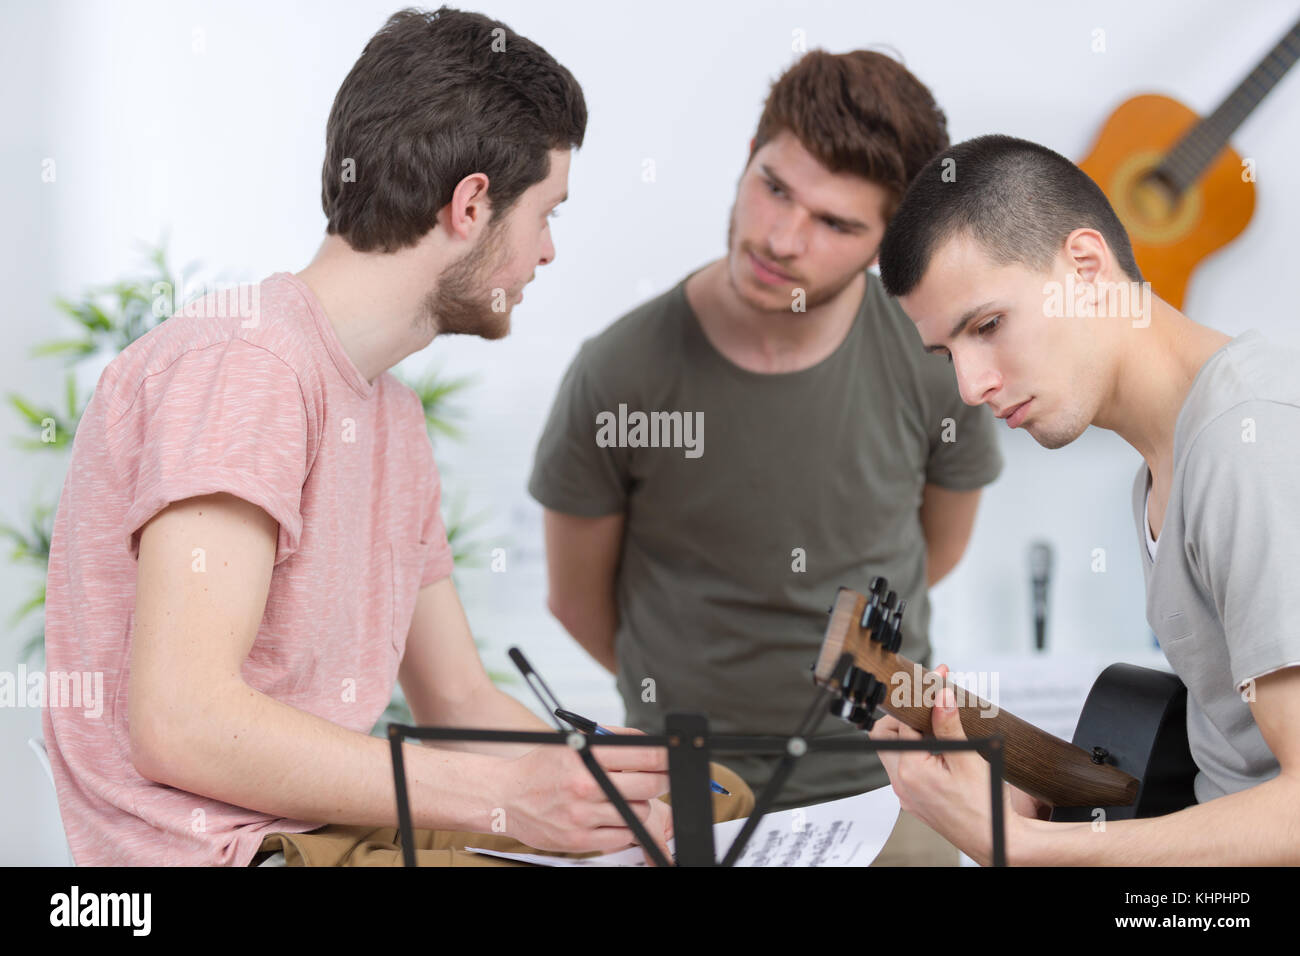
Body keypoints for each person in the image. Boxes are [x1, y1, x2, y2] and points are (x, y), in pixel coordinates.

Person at [41, 5, 752, 869]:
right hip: (235, 856)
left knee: (718, 806)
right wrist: (504, 801)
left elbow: (455, 695)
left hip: (334, 835)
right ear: (472, 204)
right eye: (548, 213)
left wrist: (602, 781)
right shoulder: (248, 363)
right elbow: (182, 722)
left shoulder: (392, 420)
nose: (550, 252)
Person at [528, 49, 1003, 865]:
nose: (782, 238)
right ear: (748, 156)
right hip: (691, 797)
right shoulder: (618, 371)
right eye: (773, 186)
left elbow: (938, 548)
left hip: (894, 790)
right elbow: (577, 601)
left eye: (836, 223)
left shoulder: (933, 356)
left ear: (889, 244)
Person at [871, 132, 1300, 865]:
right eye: (949, 354)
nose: (971, 387)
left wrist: (1030, 848)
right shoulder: (1166, 463)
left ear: (1085, 265)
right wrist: (1032, 796)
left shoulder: (1246, 441)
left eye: (989, 326)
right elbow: (1228, 759)